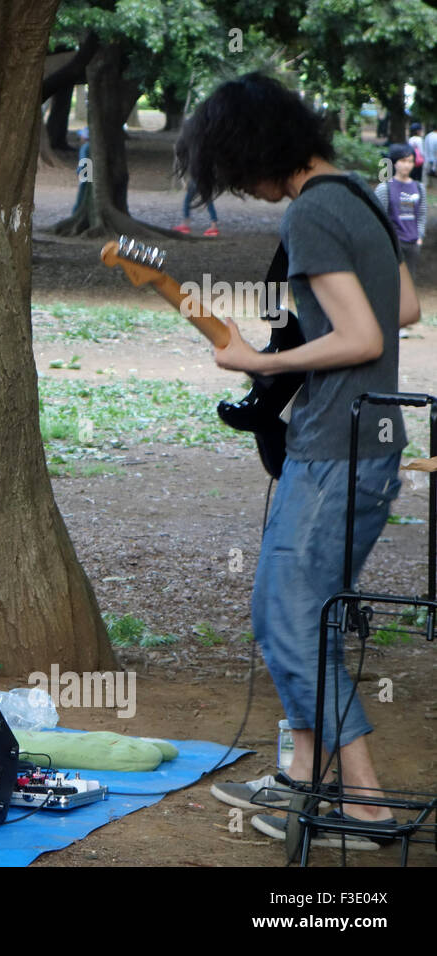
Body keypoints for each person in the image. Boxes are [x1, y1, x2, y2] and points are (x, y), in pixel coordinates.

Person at [176, 72, 420, 849]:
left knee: (286, 617)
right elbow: (405, 306)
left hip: (333, 450)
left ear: (256, 149)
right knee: (295, 610)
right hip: (370, 445)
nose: (240, 187)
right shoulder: (359, 196)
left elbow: (366, 335)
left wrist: (264, 361)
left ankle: (367, 807)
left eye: (233, 170)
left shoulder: (312, 211)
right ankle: (301, 778)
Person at [375, 143, 425, 279]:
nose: (407, 165)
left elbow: (421, 215)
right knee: (391, 281)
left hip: (412, 243)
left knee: (409, 281)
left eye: (410, 161)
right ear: (394, 163)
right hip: (392, 245)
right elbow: (378, 218)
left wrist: (419, 237)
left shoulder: (419, 187)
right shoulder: (384, 188)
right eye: (403, 161)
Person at [71, 127, 90, 215]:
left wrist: (79, 172)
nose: (80, 138)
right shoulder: (91, 147)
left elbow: (83, 163)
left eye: (81, 136)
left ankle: (75, 213)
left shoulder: (85, 147)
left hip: (86, 177)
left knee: (81, 198)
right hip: (90, 177)